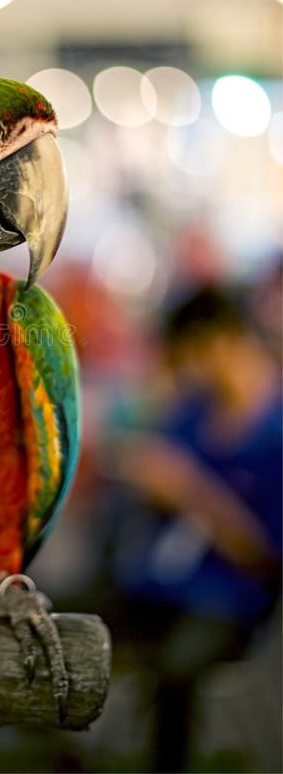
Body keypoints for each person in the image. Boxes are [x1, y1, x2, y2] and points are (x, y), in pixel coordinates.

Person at [109, 284, 282, 773]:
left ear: (219, 343)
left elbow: (265, 557)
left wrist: (190, 491)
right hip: (156, 586)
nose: (184, 371)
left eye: (187, 357)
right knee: (71, 620)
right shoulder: (194, 412)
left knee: (177, 669)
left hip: (230, 604)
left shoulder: (274, 432)